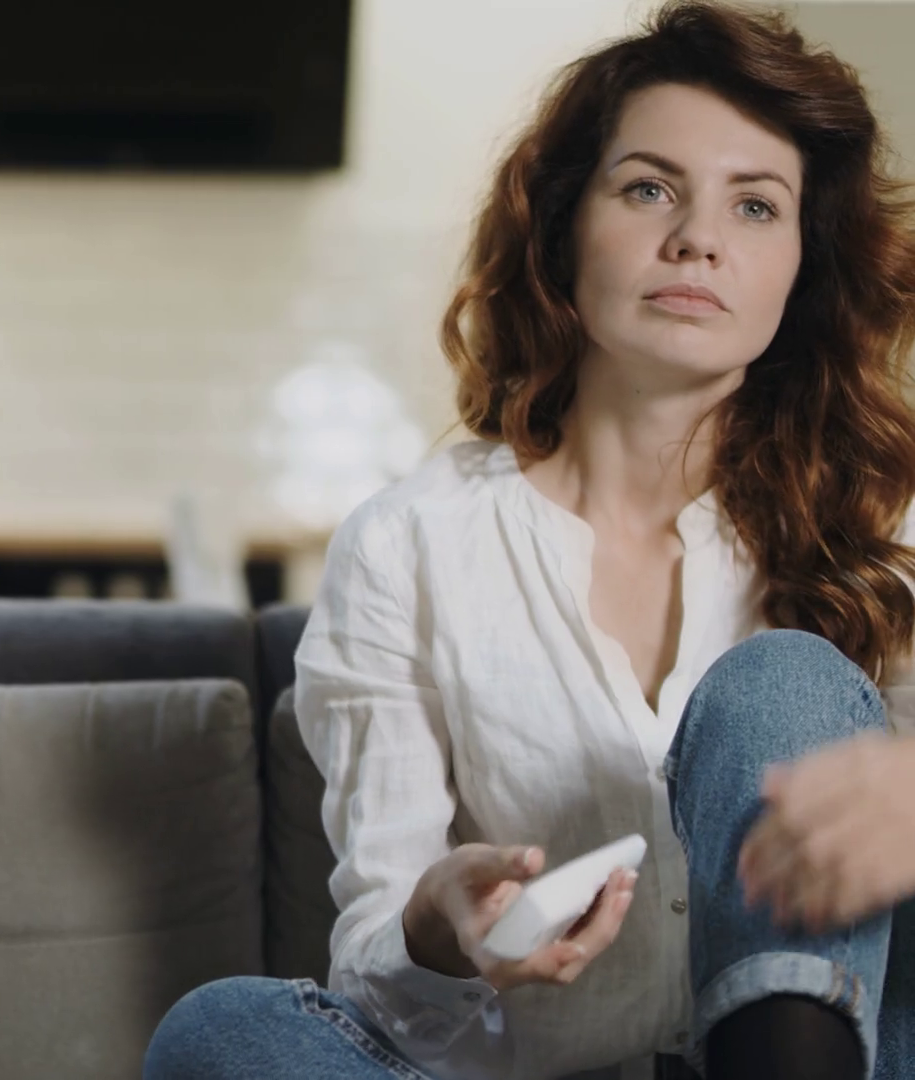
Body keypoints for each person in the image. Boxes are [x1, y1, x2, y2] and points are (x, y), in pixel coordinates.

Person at [142, 2, 915, 1078]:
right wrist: (437, 925)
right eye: (650, 187)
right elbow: (381, 979)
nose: (697, 237)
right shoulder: (408, 548)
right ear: (562, 227)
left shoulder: (887, 523)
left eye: (755, 205)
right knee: (225, 1031)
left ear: (801, 262)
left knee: (778, 682)